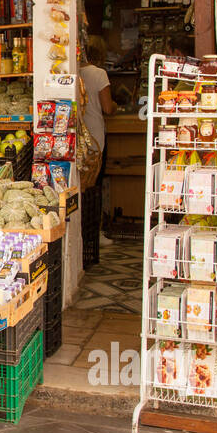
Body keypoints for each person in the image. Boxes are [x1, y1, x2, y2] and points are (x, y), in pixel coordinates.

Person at [80, 35, 117, 263]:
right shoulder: (99, 74)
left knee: (80, 185)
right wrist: (116, 104)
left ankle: (83, 233)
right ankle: (96, 232)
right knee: (94, 185)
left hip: (79, 136)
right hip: (94, 135)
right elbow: (107, 107)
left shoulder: (75, 72)